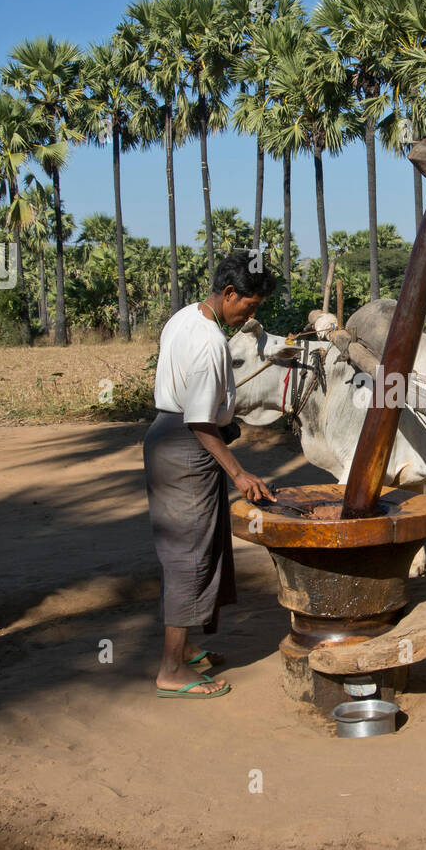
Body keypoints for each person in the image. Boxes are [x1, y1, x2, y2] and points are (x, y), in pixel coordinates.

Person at [144, 250, 277, 698]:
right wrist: (240, 475)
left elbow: (199, 407)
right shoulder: (210, 342)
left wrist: (225, 420)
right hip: (187, 447)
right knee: (190, 554)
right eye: (250, 306)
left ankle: (183, 649)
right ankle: (170, 669)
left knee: (195, 546)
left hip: (168, 435)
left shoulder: (183, 318)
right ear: (228, 293)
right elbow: (200, 423)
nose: (250, 316)